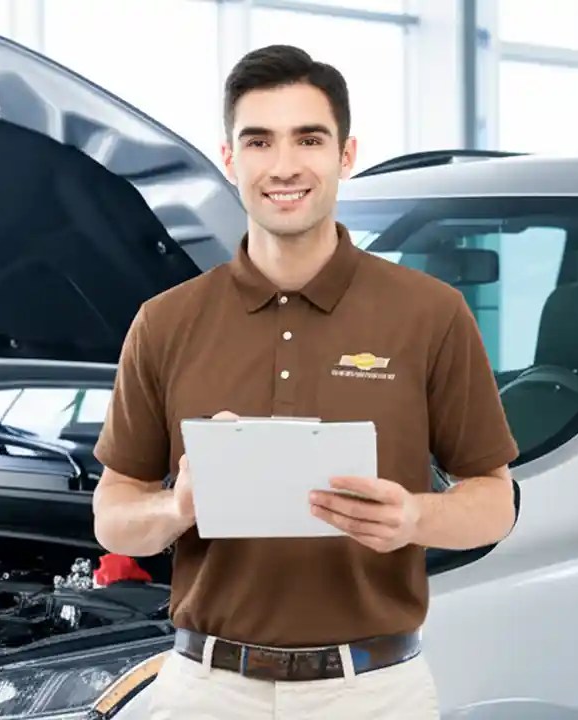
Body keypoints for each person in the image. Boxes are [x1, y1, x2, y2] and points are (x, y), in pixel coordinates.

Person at [91, 44, 519, 719]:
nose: (284, 166)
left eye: (308, 139)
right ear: (229, 159)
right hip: (204, 691)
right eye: (258, 141)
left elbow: (495, 501)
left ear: (345, 154)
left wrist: (415, 516)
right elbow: (113, 514)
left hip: (375, 692)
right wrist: (177, 508)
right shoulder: (165, 322)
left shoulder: (430, 313)